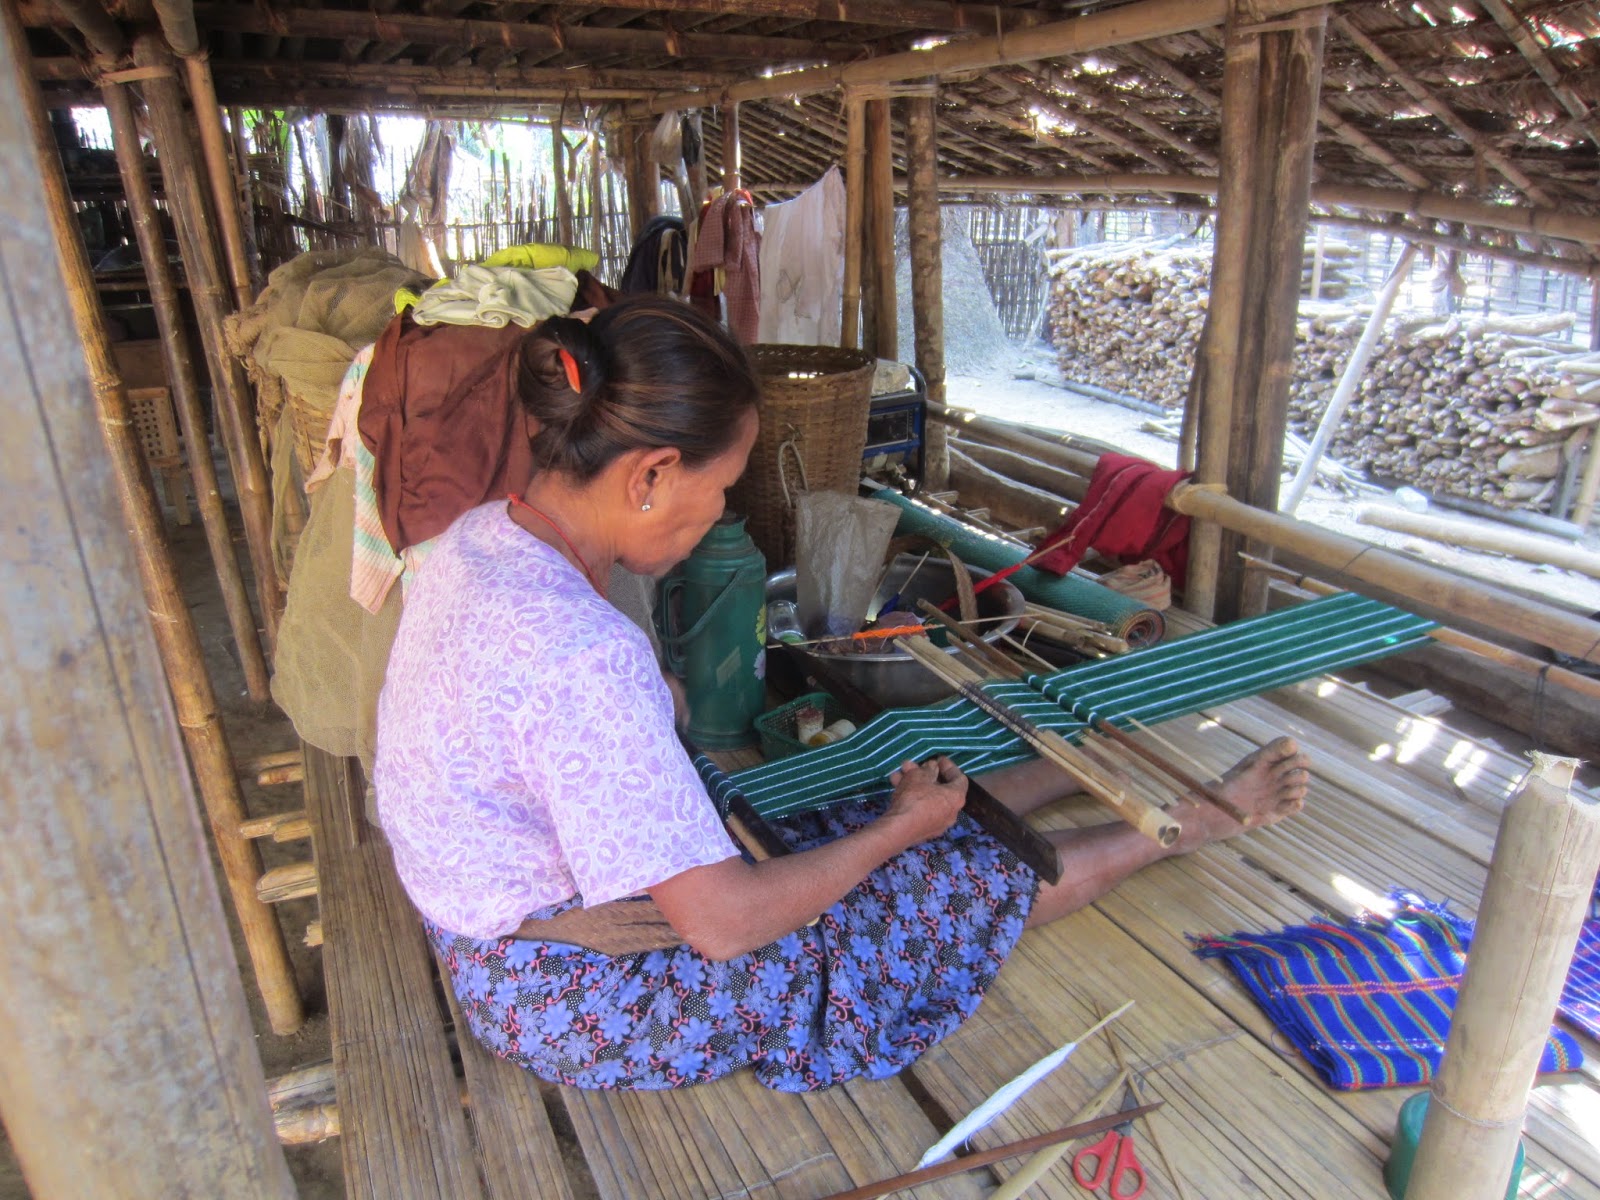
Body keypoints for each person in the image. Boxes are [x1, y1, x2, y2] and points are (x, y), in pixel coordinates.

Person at [374, 295, 1312, 1093]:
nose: (723, 511)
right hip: (563, 988)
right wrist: (893, 837)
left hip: (490, 924)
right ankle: (1193, 822)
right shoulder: (583, 653)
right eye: (723, 486)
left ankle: (1063, 770)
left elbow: (526, 710)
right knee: (937, 886)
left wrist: (662, 712)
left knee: (846, 810)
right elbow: (724, 925)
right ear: (652, 474)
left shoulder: (475, 540)